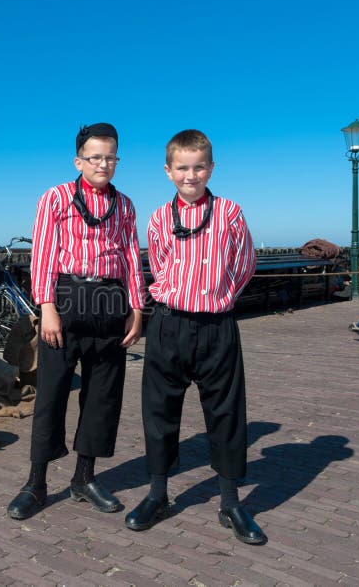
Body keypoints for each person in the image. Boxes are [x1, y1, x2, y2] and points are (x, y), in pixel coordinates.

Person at [124, 129, 266, 545]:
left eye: (199, 166)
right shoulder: (157, 219)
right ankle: (158, 494)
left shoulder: (230, 213)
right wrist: (180, 300)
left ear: (211, 168)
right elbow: (161, 266)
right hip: (169, 324)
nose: (191, 175)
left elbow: (244, 265)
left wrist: (216, 299)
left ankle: (231, 502)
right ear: (168, 172)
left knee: (225, 412)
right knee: (159, 411)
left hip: (217, 326)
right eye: (183, 168)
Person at [6, 122, 147, 520]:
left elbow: (130, 259)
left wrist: (136, 308)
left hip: (111, 303)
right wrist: (46, 307)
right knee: (51, 395)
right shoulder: (55, 198)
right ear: (79, 160)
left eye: (111, 157)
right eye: (95, 157)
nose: (104, 164)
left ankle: (84, 477)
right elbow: (44, 257)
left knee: (103, 397)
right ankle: (36, 483)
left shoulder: (126, 205)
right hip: (67, 300)